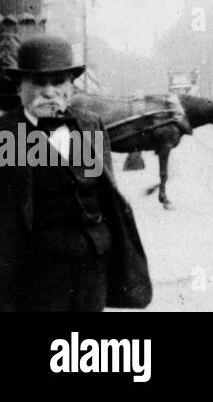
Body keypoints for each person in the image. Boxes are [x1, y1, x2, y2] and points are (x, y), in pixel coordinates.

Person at [0, 34, 151, 311]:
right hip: (40, 272)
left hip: (94, 265)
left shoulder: (89, 126)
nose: (49, 92)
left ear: (71, 87)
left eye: (58, 82)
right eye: (38, 83)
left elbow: (105, 191)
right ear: (20, 86)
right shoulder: (8, 134)